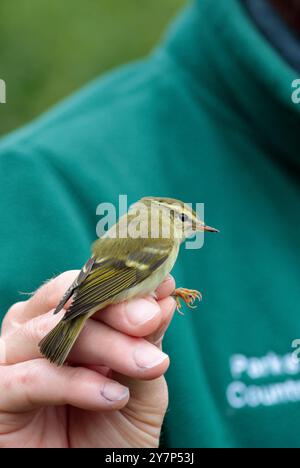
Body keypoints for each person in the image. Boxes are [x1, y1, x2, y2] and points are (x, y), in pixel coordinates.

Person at [0, 0, 299, 448]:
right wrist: (77, 307)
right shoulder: (39, 181)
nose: (192, 228)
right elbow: (123, 278)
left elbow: (102, 268)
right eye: (186, 220)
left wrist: (79, 301)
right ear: (167, 218)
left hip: (92, 283)